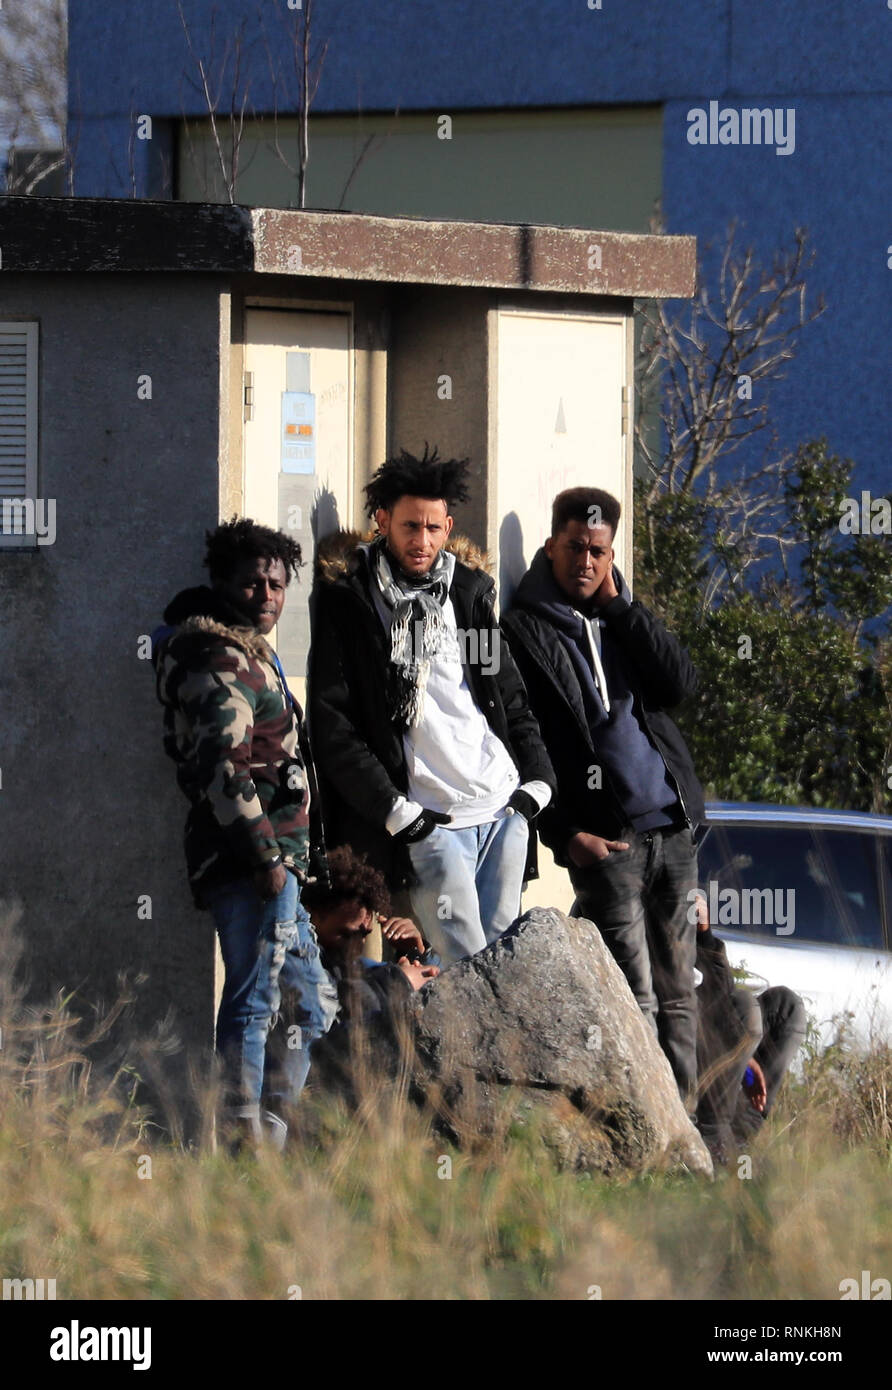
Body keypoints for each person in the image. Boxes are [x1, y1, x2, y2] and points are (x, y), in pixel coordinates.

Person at [308, 446, 556, 966]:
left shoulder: (466, 597)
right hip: (430, 823)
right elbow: (334, 728)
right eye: (408, 527)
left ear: (448, 525)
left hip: (502, 808)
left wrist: (536, 783)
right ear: (382, 522)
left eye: (432, 528)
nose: (421, 541)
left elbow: (505, 694)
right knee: (464, 970)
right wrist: (397, 812)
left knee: (504, 970)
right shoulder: (352, 604)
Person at [501, 486, 704, 1103]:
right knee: (633, 995)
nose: (586, 562)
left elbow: (678, 685)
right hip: (608, 840)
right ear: (550, 545)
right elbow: (520, 743)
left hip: (670, 827)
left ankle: (691, 1137)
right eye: (575, 548)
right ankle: (649, 1130)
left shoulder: (620, 618)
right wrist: (564, 836)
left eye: (598, 551)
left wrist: (623, 610)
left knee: (678, 994)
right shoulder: (523, 629)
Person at [152, 516, 339, 1151]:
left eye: (277, 585)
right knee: (254, 999)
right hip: (248, 860)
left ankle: (273, 1129)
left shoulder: (254, 653)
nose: (266, 596)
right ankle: (239, 1141)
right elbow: (222, 768)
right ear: (222, 583)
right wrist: (265, 859)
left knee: (313, 1005)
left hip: (281, 858)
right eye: (253, 583)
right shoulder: (216, 655)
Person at [692, 888, 807, 1163]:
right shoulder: (632, 906)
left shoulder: (679, 892)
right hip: (677, 1028)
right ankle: (712, 1138)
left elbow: (719, 992)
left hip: (706, 1023)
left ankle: (741, 1135)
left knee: (785, 1006)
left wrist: (704, 934)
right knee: (744, 1011)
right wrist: (742, 1049)